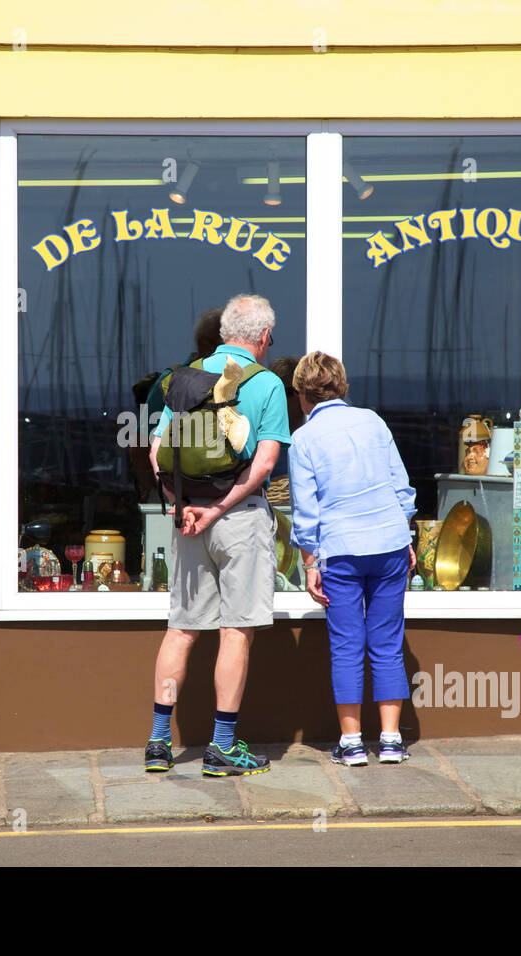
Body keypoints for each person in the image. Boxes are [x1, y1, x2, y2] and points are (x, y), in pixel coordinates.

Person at [143, 294, 291, 776]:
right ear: (264, 337)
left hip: (187, 519)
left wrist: (181, 505)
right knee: (235, 631)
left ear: (225, 331)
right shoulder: (266, 383)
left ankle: (159, 743)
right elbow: (265, 462)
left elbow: (157, 453)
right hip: (240, 518)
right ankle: (223, 746)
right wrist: (220, 509)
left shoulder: (184, 378)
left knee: (181, 629)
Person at [287, 351, 417, 766]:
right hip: (390, 543)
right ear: (342, 387)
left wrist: (310, 564)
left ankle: (352, 742)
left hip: (341, 550)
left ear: (303, 395)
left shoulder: (304, 439)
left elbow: (306, 513)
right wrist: (407, 534)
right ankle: (392, 740)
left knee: (346, 647)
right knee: (388, 644)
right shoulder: (373, 421)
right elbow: (401, 485)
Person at [129, 309, 224, 501]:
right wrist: (161, 493)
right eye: (227, 346)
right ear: (206, 345)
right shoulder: (172, 381)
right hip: (178, 498)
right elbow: (140, 445)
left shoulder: (232, 381)